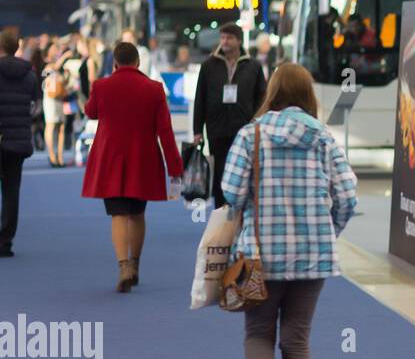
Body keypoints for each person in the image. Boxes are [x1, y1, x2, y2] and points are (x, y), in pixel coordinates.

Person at [222, 63, 357, 359]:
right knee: (296, 341)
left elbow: (231, 194)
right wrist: (330, 230)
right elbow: (348, 196)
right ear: (308, 94)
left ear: (273, 92)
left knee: (257, 333)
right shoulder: (324, 138)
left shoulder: (252, 134)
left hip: (260, 255)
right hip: (313, 254)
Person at [81, 40, 184, 292]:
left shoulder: (102, 86)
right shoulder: (154, 89)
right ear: (138, 62)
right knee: (137, 214)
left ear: (115, 63)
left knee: (118, 214)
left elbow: (90, 112)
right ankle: (136, 265)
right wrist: (175, 166)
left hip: (111, 159)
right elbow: (165, 131)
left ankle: (123, 265)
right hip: (144, 158)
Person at [193, 22, 267, 209]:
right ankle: (221, 214)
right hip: (216, 129)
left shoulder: (253, 66)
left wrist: (258, 123)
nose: (225, 41)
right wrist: (197, 130)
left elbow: (261, 98)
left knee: (242, 174)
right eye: (223, 37)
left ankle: (240, 214)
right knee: (219, 174)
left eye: (229, 38)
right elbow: (200, 98)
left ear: (239, 40)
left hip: (244, 129)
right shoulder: (209, 65)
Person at [0, 31, 39, 258]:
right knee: (12, 191)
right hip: (17, 140)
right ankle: (5, 241)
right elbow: (34, 107)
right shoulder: (29, 74)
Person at [40, 45, 68, 167]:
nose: (56, 51)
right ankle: (51, 155)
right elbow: (48, 73)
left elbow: (61, 79)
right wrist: (65, 57)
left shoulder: (58, 67)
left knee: (61, 126)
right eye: (53, 49)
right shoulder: (47, 65)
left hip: (59, 98)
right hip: (50, 99)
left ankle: (60, 157)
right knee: (51, 125)